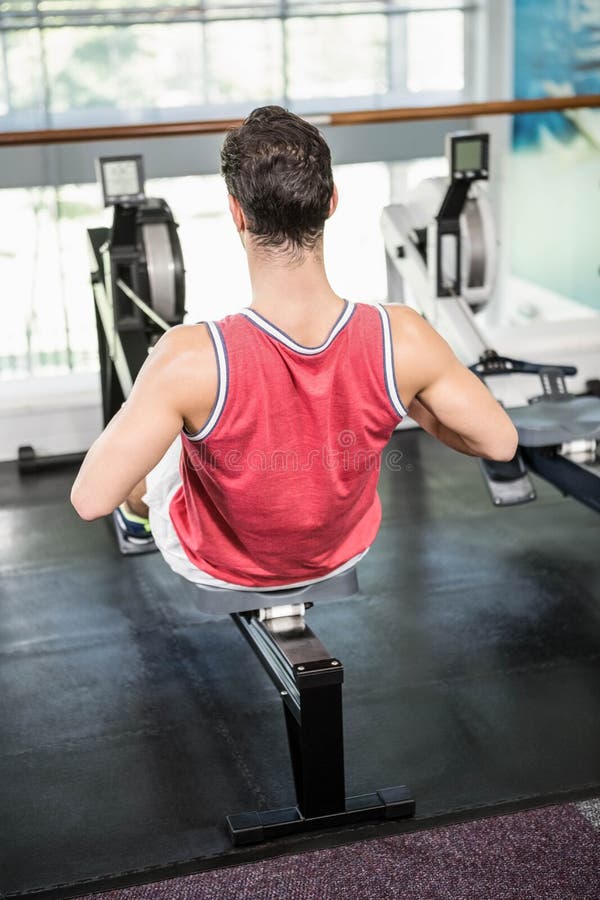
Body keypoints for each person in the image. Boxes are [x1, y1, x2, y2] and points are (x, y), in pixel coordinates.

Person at [71, 105, 518, 591]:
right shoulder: (404, 336)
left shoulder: (187, 357)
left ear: (236, 213)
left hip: (217, 564)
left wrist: (154, 395)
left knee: (164, 447)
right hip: (344, 551)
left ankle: (141, 517)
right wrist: (406, 398)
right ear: (330, 202)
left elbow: (90, 499)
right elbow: (499, 443)